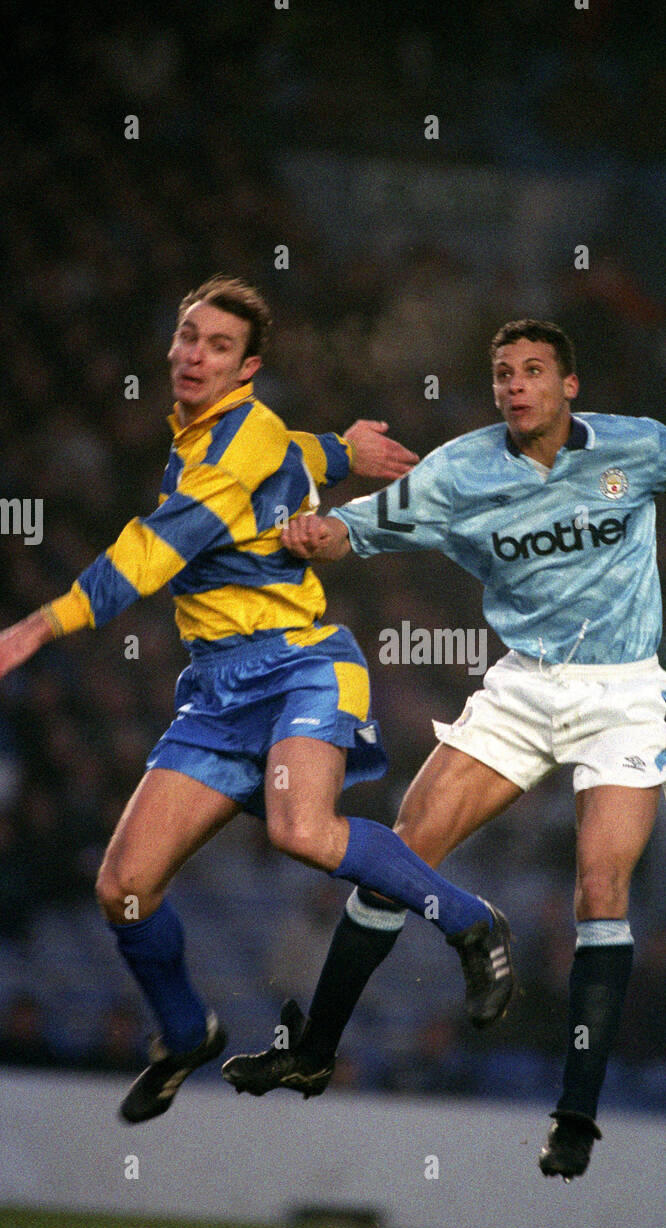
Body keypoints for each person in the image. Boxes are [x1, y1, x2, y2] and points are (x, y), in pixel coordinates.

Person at [227, 317, 666, 1181]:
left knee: (600, 888)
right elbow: (355, 531)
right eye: (502, 373)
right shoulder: (459, 469)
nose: (515, 384)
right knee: (400, 851)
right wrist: (313, 535)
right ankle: (313, 1052)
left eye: (532, 370)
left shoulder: (638, 448)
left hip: (625, 692)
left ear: (569, 386)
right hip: (524, 686)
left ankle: (575, 1117)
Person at [0, 277, 514, 1124]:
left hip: (302, 666)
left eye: (218, 346)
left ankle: (471, 922)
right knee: (123, 889)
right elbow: (297, 453)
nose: (195, 354)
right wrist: (343, 450)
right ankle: (184, 1033)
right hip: (215, 691)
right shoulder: (223, 434)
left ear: (248, 369)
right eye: (188, 337)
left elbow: (152, 552)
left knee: (300, 829)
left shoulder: (228, 450)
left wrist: (34, 630)